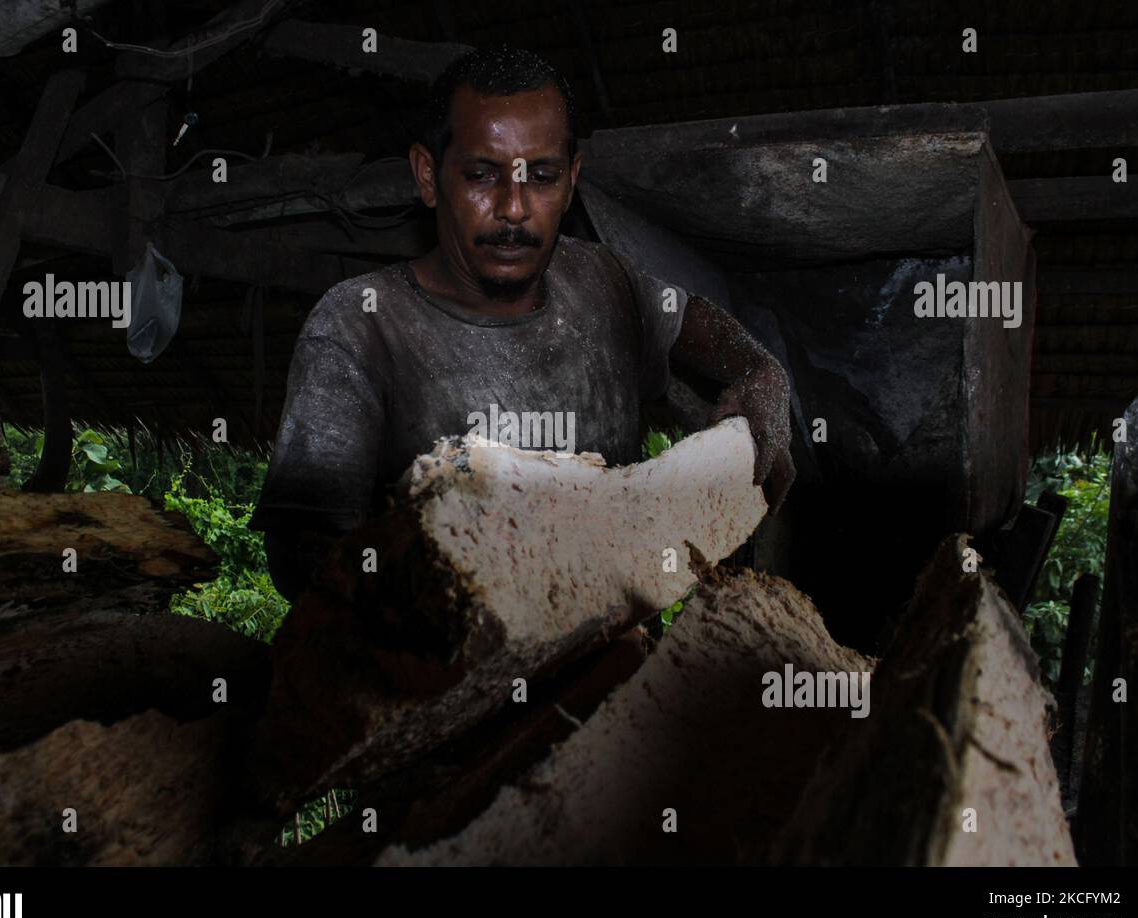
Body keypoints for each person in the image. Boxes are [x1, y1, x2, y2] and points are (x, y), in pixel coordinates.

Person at [249, 46, 795, 600]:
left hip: (619, 674)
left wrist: (764, 374)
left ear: (572, 178)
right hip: (443, 676)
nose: (514, 207)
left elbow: (693, 322)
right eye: (482, 175)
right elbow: (300, 553)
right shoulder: (359, 326)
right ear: (429, 175)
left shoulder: (603, 284)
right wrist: (448, 595)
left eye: (541, 176)